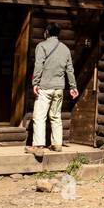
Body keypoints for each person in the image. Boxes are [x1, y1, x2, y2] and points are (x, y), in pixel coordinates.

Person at [27, 23, 77, 153]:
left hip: (45, 87)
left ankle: (38, 146)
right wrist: (73, 86)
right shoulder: (65, 49)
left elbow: (38, 66)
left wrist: (35, 83)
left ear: (47, 32)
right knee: (55, 116)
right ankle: (57, 144)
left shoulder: (42, 46)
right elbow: (70, 70)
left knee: (39, 116)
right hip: (59, 88)